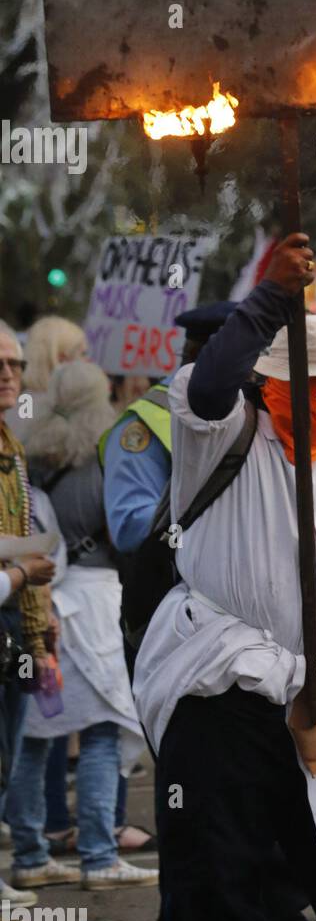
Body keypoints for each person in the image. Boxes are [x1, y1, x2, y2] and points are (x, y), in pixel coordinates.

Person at [133, 234, 316, 921]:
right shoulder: (223, 431)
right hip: (223, 690)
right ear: (272, 384)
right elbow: (211, 382)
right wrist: (271, 297)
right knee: (215, 889)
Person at [7, 362, 157, 892]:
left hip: (37, 602)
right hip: (92, 607)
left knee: (34, 735)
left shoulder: (29, 461)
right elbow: (127, 533)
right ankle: (97, 855)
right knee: (100, 732)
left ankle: (29, 851)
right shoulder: (104, 460)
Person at [101, 302, 238, 563]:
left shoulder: (247, 410)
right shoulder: (143, 425)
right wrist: (216, 520)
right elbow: (128, 526)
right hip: (166, 591)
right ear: (207, 357)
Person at [0, 321, 60, 905]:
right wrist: (22, 575)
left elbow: (20, 535)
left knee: (7, 756)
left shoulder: (10, 443)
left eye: (14, 364)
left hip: (14, 627)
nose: (7, 374)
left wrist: (41, 615)